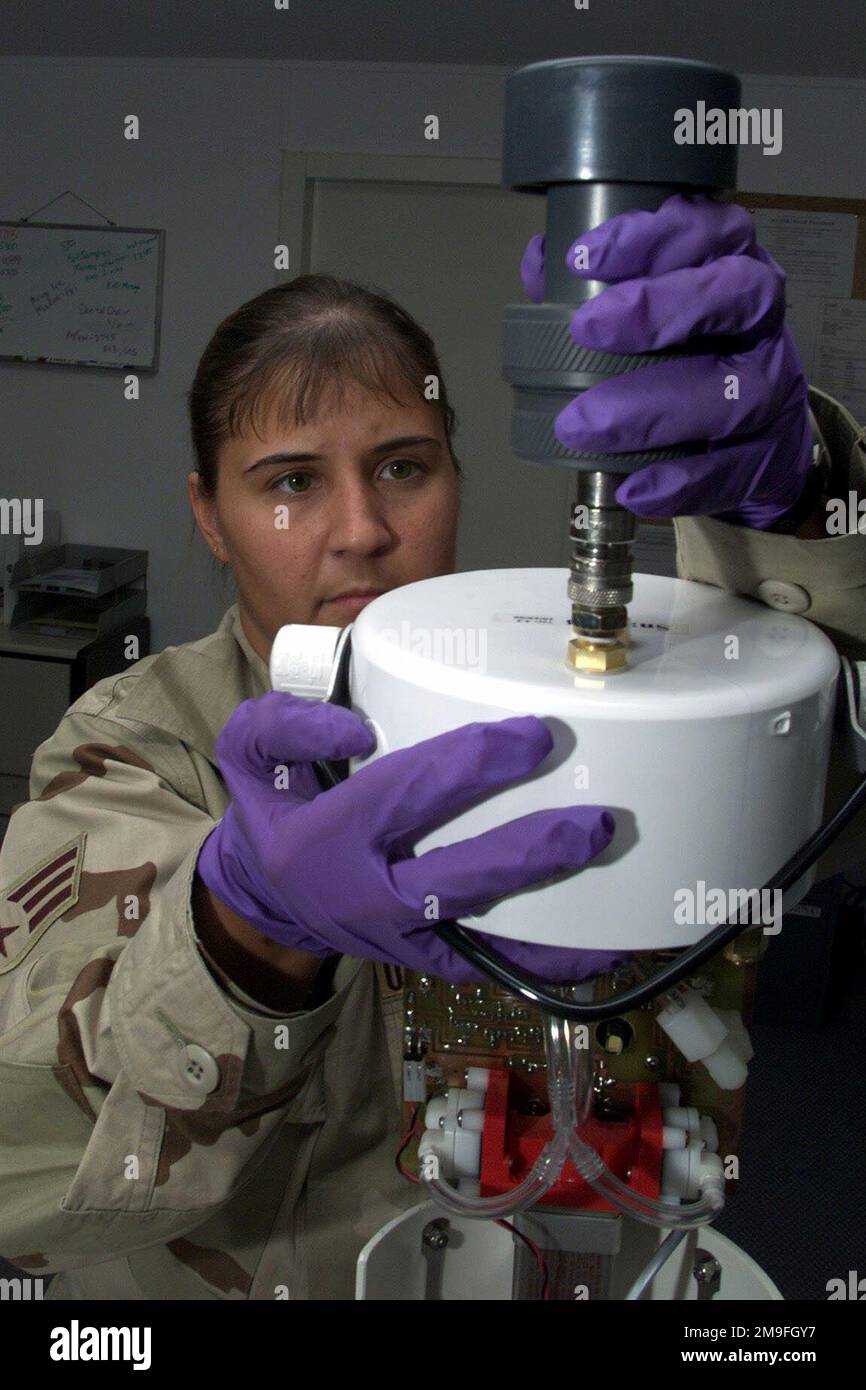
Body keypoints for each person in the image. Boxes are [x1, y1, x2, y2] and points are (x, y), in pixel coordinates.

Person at [0, 194, 864, 1301]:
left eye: (403, 466)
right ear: (208, 516)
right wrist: (240, 933)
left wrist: (794, 507)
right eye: (292, 481)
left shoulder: (567, 690)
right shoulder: (135, 744)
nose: (360, 526)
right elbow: (27, 1169)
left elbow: (813, 793)